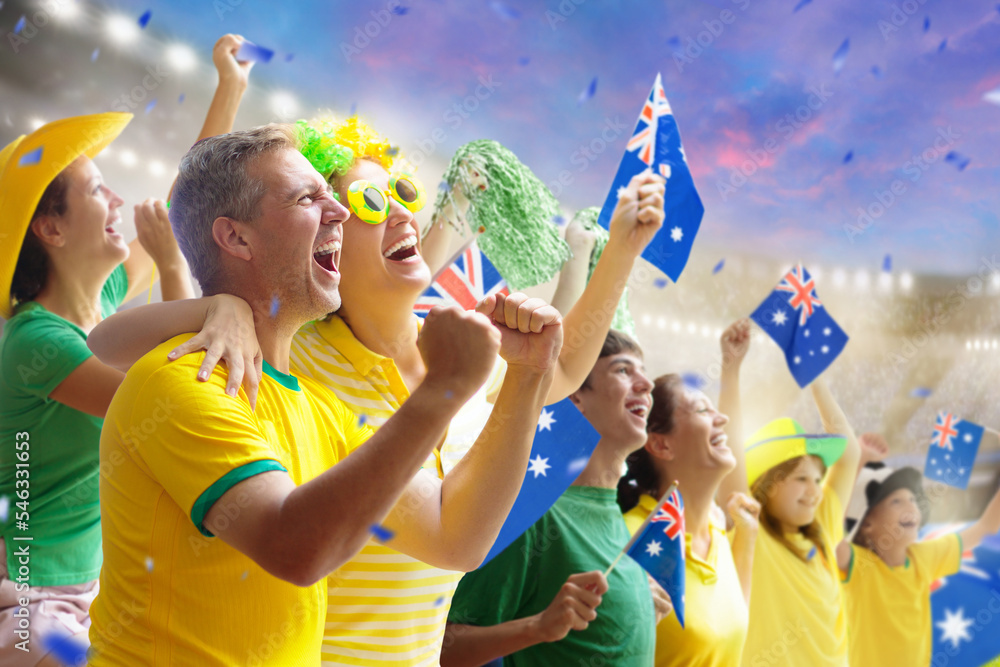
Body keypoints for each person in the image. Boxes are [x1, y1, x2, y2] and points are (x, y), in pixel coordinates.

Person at [88, 56, 666, 664]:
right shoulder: (268, 365)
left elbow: (459, 530)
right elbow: (106, 344)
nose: (393, 213)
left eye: (402, 193)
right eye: (356, 199)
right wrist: (217, 307)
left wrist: (604, 266)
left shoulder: (359, 386)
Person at [0, 112, 193, 666]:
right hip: (32, 603)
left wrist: (230, 84)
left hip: (94, 588)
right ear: (51, 230)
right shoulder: (38, 342)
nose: (116, 198)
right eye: (94, 188)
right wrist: (173, 266)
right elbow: (178, 399)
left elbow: (179, 205)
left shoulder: (102, 300)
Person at [441, 331, 672, 667]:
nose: (646, 384)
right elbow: (443, 647)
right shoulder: (535, 517)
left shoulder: (617, 519)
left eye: (643, 370)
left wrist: (635, 615)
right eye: (624, 370)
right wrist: (536, 627)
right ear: (575, 394)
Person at [617, 319, 760, 667]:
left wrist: (731, 369)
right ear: (661, 444)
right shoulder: (630, 536)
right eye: (701, 410)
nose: (721, 419)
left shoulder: (721, 537)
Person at [721, 363, 860, 667]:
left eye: (816, 479)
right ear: (768, 485)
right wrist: (730, 370)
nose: (815, 491)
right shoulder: (748, 533)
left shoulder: (822, 526)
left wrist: (817, 382)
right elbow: (729, 456)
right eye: (801, 479)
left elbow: (849, 453)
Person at [837, 431, 1000, 667]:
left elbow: (986, 526)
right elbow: (831, 530)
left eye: (913, 501)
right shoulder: (861, 567)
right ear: (868, 524)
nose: (911, 507)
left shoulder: (921, 558)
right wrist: (860, 459)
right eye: (897, 501)